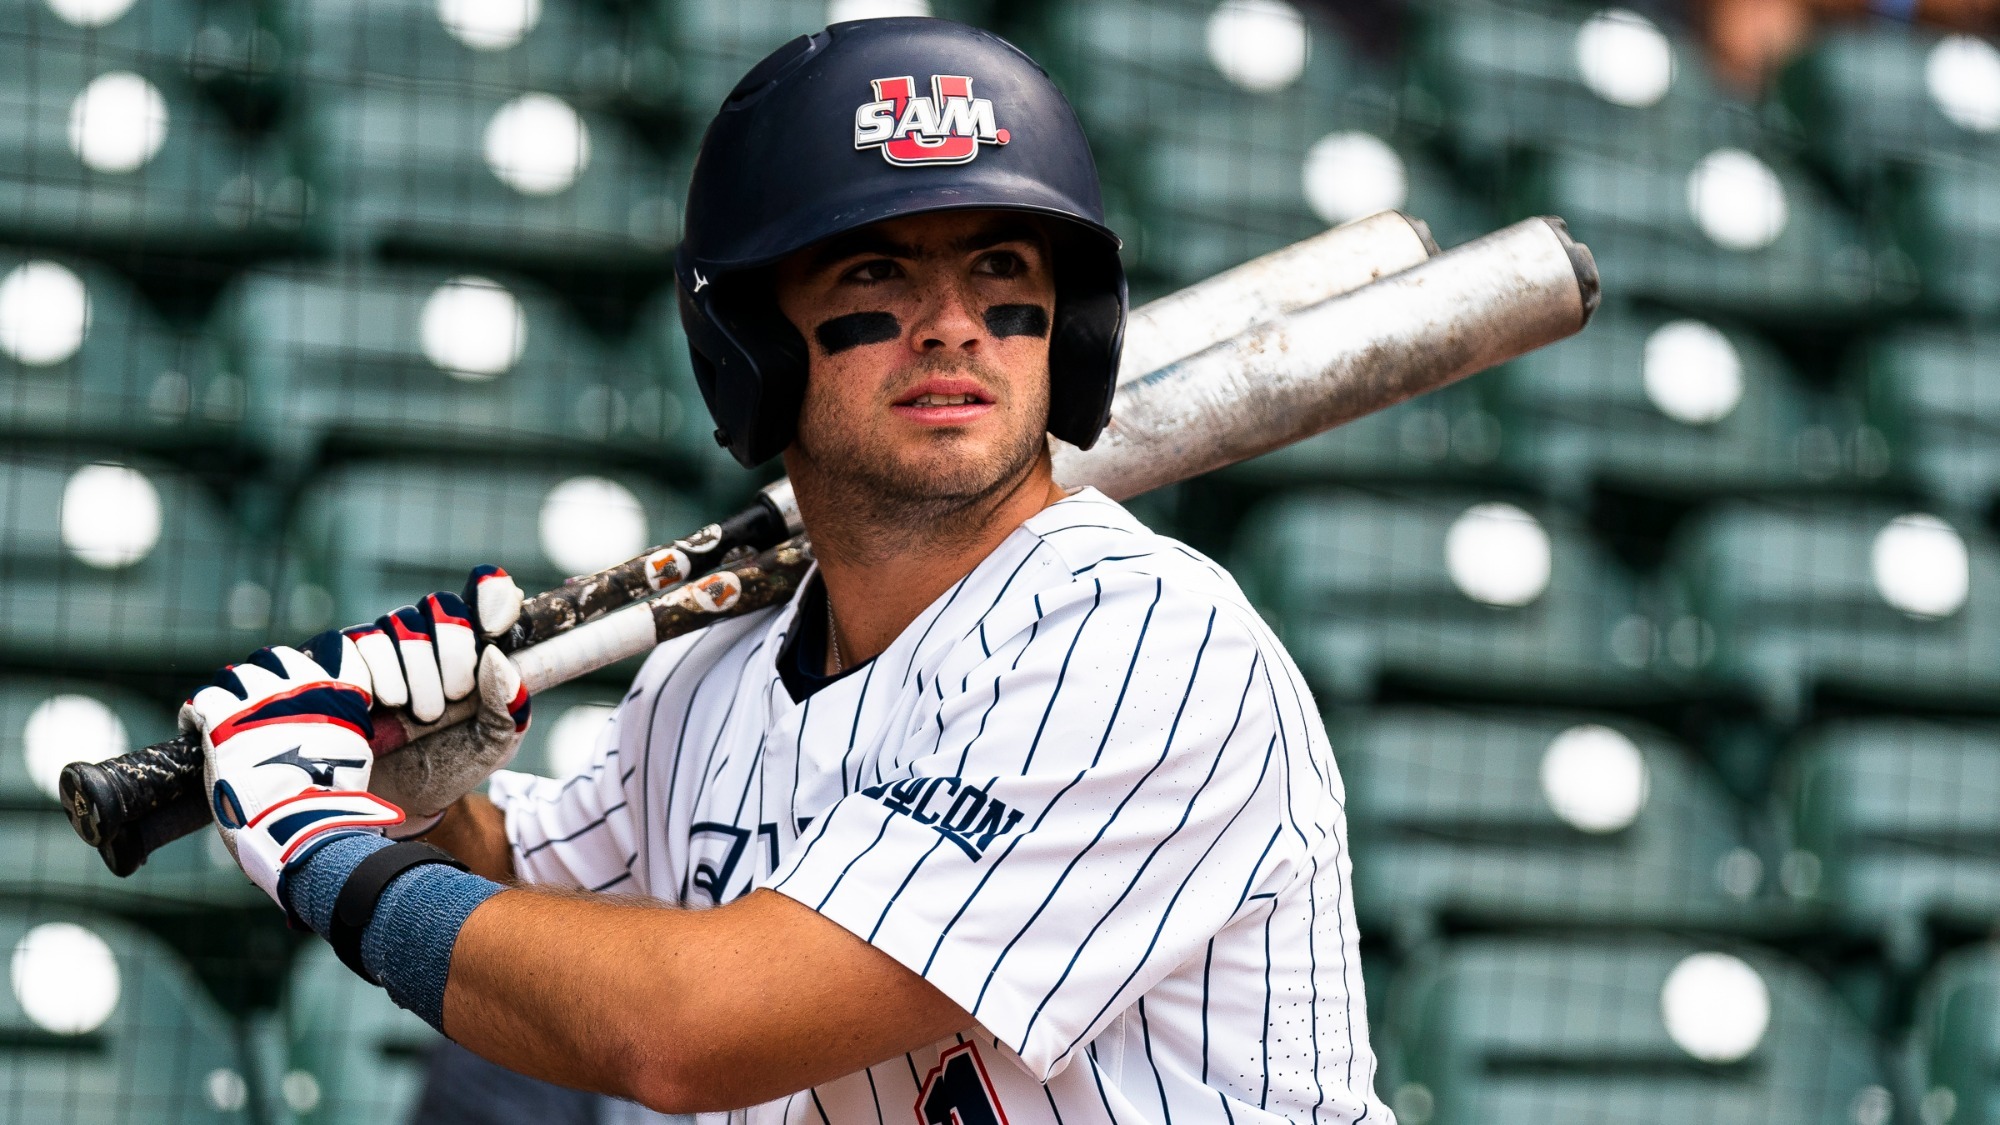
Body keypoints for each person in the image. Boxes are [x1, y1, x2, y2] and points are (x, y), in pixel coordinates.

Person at [183, 18, 1393, 1123]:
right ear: (751, 337)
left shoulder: (1141, 641)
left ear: (1063, 327)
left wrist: (325, 851)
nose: (951, 324)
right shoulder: (706, 683)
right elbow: (552, 937)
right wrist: (429, 805)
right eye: (874, 272)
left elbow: (682, 1032)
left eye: (1000, 273)